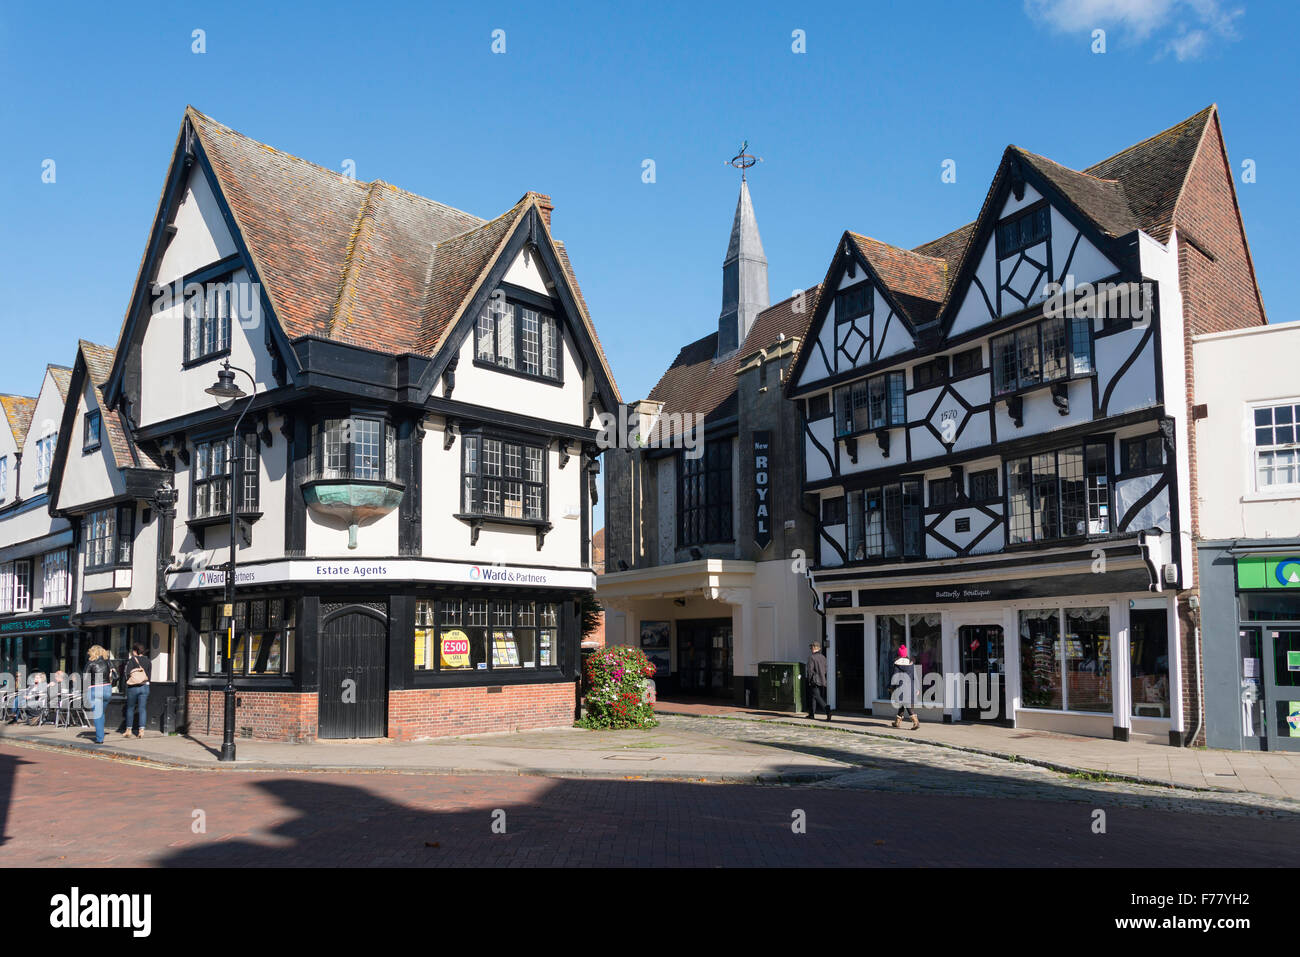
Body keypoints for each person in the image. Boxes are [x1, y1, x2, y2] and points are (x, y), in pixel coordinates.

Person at [86, 646, 117, 744]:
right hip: (107, 689)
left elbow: (85, 677)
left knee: (97, 714)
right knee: (101, 713)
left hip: (95, 689)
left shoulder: (91, 663)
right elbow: (117, 675)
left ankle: (100, 739)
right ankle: (101, 734)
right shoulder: (108, 662)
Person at [123, 643, 151, 738]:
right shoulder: (148, 661)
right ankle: (141, 731)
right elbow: (149, 675)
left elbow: (127, 673)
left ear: (135, 651)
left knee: (130, 708)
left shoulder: (131, 660)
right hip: (145, 687)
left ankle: (129, 730)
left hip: (133, 687)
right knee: (142, 709)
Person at [892, 644, 920, 731]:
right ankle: (897, 722)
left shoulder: (896, 664)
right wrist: (917, 688)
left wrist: (891, 687)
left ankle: (916, 722)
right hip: (910, 687)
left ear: (899, 654)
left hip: (900, 688)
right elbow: (915, 677)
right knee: (903, 705)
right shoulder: (911, 663)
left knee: (906, 705)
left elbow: (895, 677)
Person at [806, 642, 831, 722]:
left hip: (815, 681)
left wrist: (809, 680)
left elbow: (810, 671)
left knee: (817, 697)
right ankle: (811, 714)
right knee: (813, 697)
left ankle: (828, 711)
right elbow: (825, 669)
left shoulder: (811, 657)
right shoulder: (823, 657)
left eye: (812, 648)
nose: (811, 649)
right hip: (822, 680)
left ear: (814, 648)